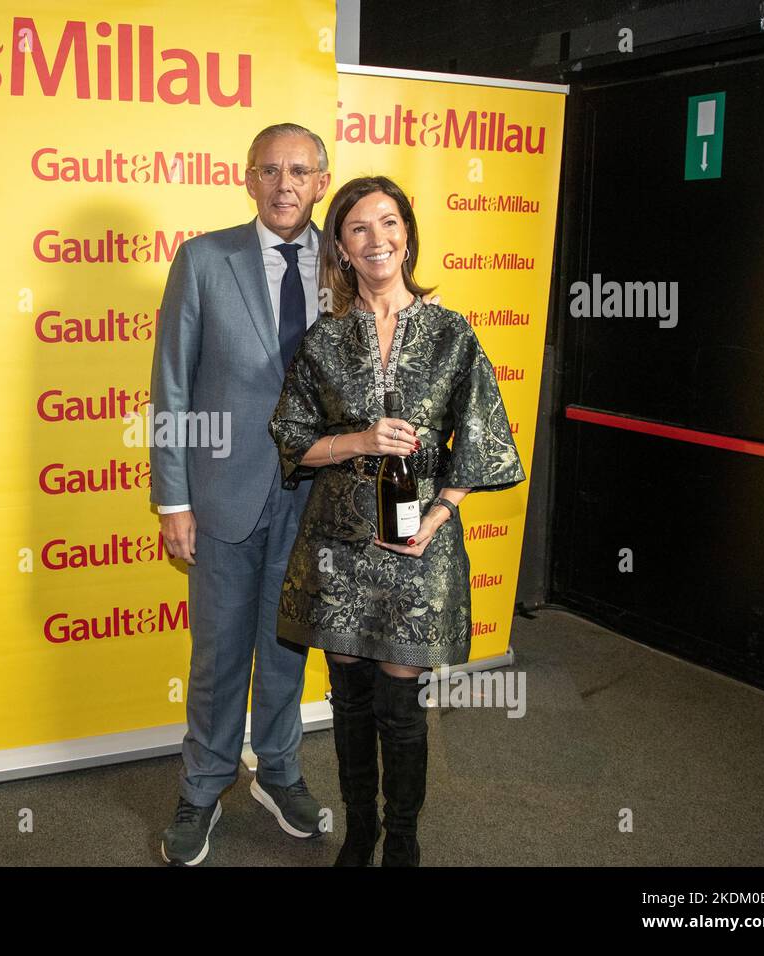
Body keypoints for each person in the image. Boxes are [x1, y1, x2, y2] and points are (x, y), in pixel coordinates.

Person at [269, 175, 525, 866]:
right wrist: (358, 440)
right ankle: (360, 831)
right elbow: (294, 439)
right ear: (342, 249)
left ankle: (403, 838)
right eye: (358, 228)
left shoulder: (451, 334)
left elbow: (482, 440)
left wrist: (441, 515)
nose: (376, 238)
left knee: (402, 706)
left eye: (389, 223)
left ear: (407, 234)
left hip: (419, 545)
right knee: (349, 699)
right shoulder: (324, 338)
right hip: (339, 545)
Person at [149, 123, 332, 865]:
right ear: (247, 179)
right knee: (220, 652)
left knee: (288, 645)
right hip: (223, 492)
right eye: (269, 171)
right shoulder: (202, 259)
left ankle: (279, 772)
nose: (284, 184)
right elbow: (171, 387)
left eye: (299, 171)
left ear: (322, 181)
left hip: (319, 497)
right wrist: (174, 501)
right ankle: (203, 786)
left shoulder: (350, 263)